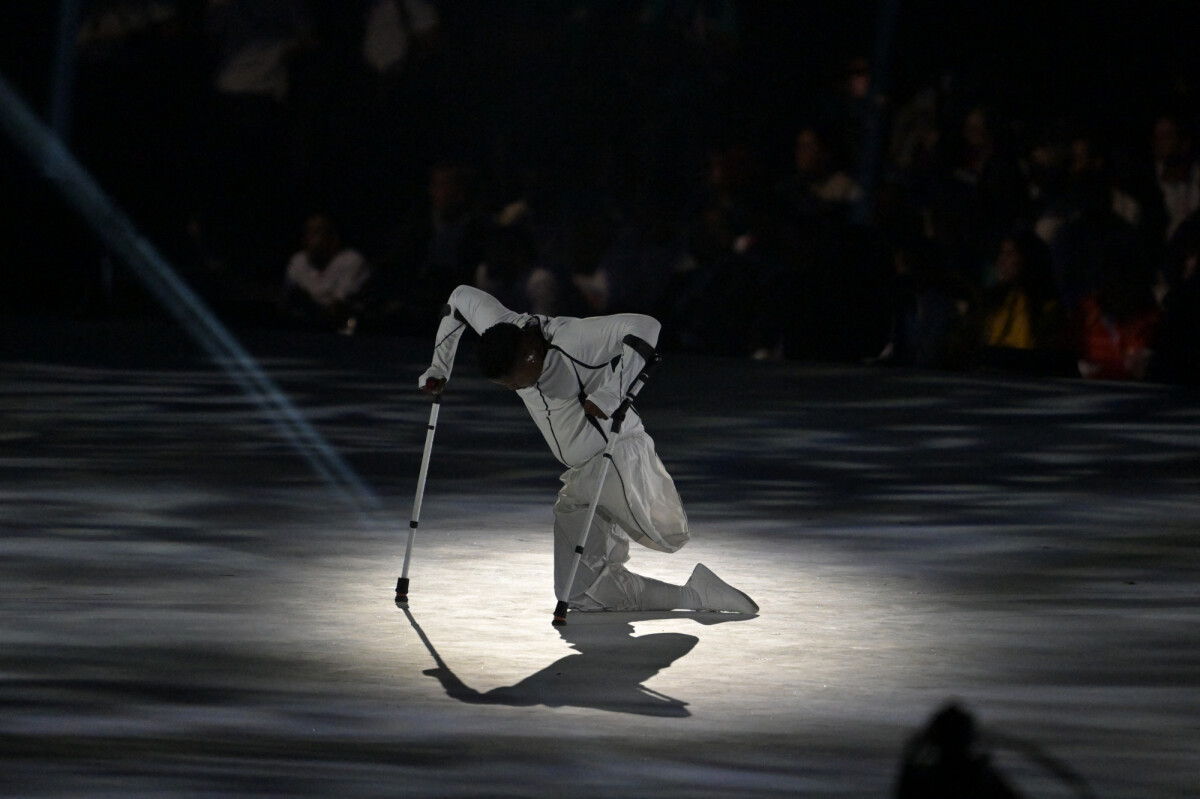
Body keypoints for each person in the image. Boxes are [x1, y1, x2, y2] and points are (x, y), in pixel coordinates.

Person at [417, 285, 758, 616]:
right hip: (581, 474)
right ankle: (697, 593)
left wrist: (612, 393)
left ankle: (689, 589)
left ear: (531, 355)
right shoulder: (502, 329)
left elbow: (646, 326)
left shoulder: (576, 340)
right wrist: (439, 367)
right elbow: (459, 298)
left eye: (516, 381)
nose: (515, 389)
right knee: (576, 592)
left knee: (666, 537)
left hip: (616, 458)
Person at [279, 212, 372, 332]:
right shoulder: (298, 261)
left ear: (333, 237)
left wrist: (307, 304)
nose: (308, 238)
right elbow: (286, 304)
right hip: (303, 331)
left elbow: (337, 310)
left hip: (344, 333)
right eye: (307, 232)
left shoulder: (352, 260)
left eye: (316, 232)